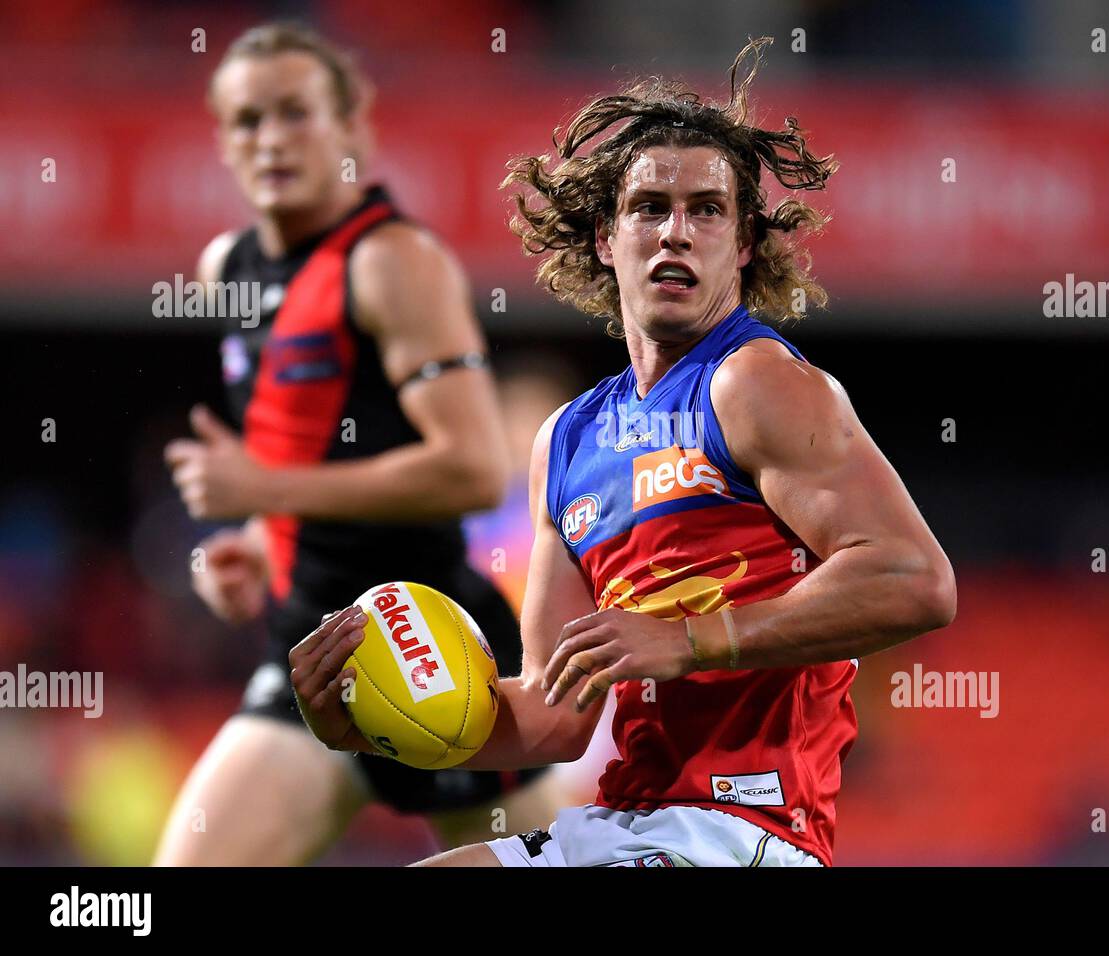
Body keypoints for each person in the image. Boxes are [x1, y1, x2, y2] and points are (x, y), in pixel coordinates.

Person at [290, 36, 956, 867]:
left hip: (744, 832)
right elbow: (553, 716)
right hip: (621, 824)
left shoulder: (756, 385)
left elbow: (913, 580)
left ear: (744, 244)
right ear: (606, 238)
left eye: (707, 210)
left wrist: (689, 640)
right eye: (650, 208)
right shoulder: (566, 441)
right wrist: (368, 725)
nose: (676, 232)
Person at [153, 22, 559, 866]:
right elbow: (302, 459)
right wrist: (259, 548)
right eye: (248, 121)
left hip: (433, 650)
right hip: (310, 654)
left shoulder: (393, 263)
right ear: (223, 141)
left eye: (296, 113)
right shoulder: (225, 269)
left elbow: (474, 468)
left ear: (351, 128)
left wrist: (264, 489)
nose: (271, 140)